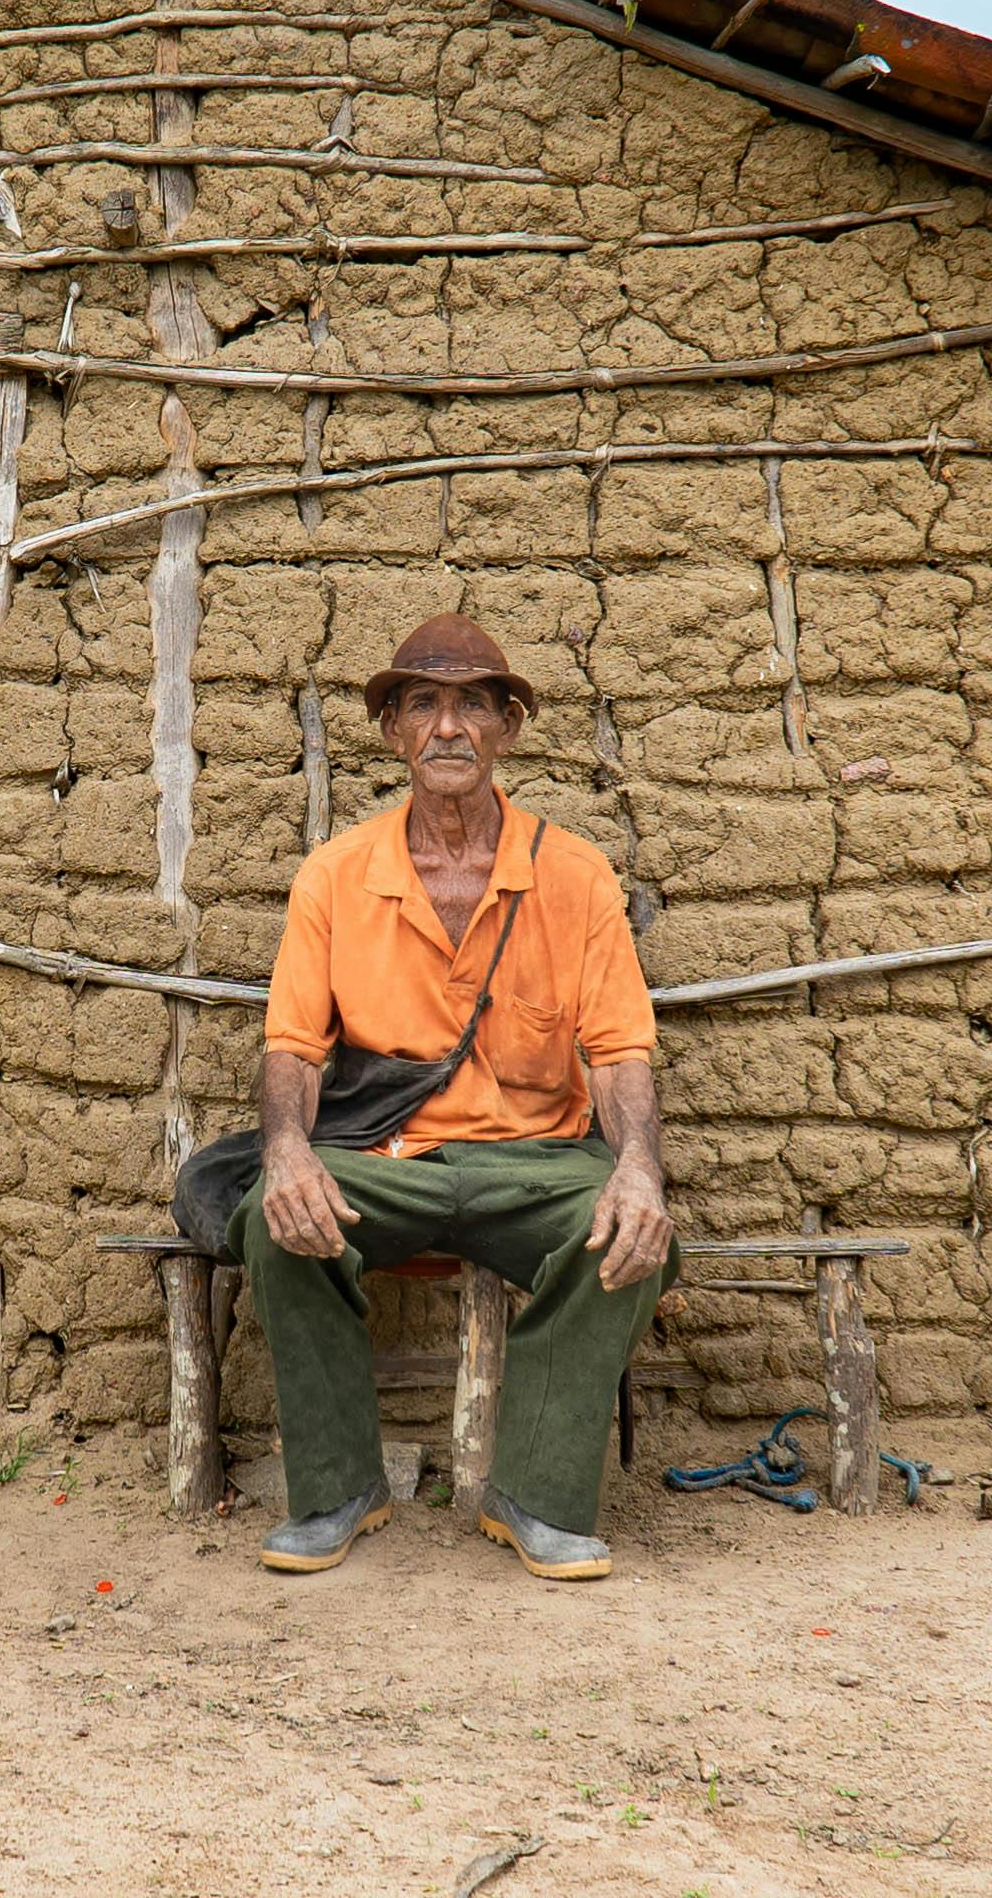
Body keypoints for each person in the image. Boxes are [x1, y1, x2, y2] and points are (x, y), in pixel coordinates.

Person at [233, 613, 674, 1579]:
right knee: (278, 1223)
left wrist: (638, 1166)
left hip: (539, 1165)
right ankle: (341, 1490)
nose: (448, 727)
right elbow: (294, 1045)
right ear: (392, 730)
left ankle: (538, 1497)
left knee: (635, 1236)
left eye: (473, 704)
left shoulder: (575, 875)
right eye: (423, 704)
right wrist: (287, 1152)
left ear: (507, 728)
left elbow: (617, 1050)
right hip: (392, 1165)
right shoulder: (337, 876)